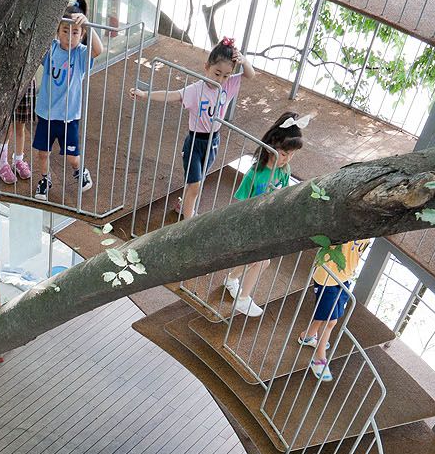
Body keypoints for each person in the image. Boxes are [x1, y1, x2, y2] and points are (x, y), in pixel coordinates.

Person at [130, 38, 243, 220]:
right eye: (217, 73)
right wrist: (145, 94)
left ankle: (184, 205)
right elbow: (172, 95)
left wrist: (244, 60)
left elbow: (250, 74)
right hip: (195, 143)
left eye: (226, 75)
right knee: (195, 184)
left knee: (197, 180)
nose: (220, 79)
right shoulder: (196, 90)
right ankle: (187, 222)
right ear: (207, 67)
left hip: (213, 142)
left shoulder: (227, 86)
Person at [223, 111, 309, 317]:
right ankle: (243, 299)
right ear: (271, 147)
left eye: (292, 155)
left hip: (267, 223)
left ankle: (231, 279)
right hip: (250, 224)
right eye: (284, 154)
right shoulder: (255, 174)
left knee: (253, 261)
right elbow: (240, 203)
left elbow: (282, 194)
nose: (287, 159)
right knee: (263, 261)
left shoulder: (284, 170)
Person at [31, 0, 103, 201]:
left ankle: (80, 171)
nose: (69, 37)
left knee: (72, 157)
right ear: (57, 31)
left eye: (75, 33)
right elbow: (38, 37)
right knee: (43, 153)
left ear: (82, 35)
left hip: (68, 116)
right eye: (65, 31)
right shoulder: (51, 49)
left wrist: (87, 23)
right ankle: (45, 179)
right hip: (46, 114)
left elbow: (98, 50)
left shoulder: (80, 54)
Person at [295, 237, 372, 382]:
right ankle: (319, 358)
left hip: (344, 278)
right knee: (331, 320)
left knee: (325, 314)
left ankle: (307, 337)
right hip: (328, 277)